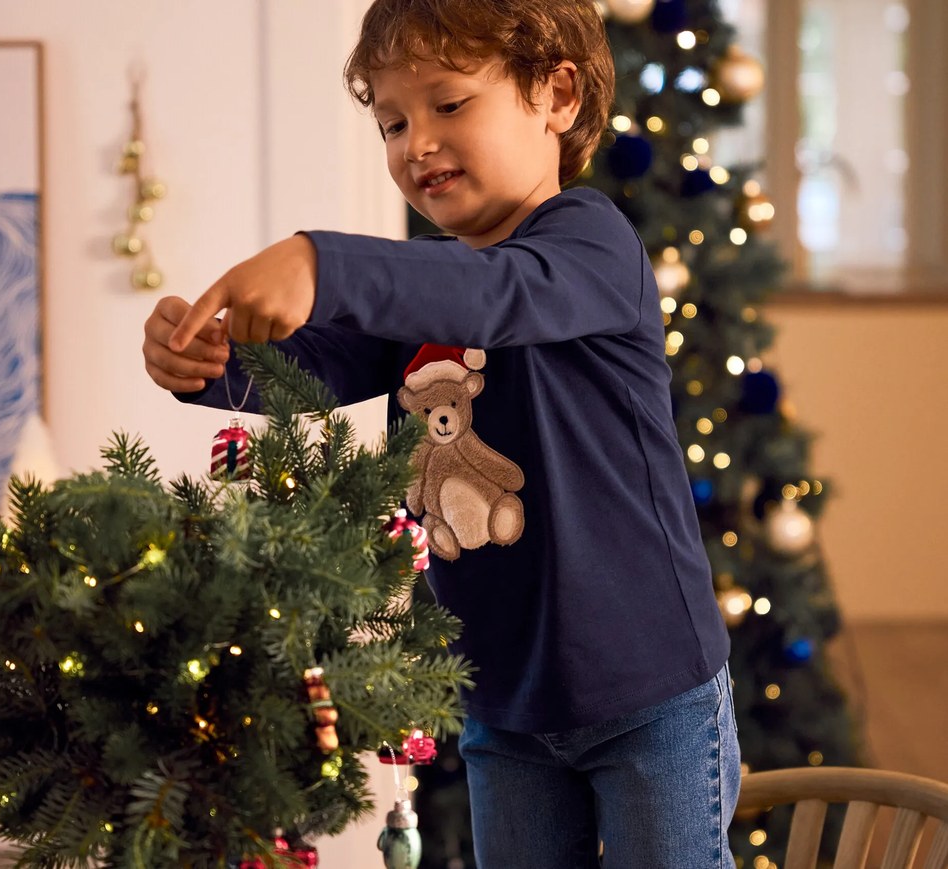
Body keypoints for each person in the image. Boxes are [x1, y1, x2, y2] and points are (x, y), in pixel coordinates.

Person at [142, 1, 741, 865]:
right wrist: (207, 364)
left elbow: (500, 293)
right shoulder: (422, 295)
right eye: (392, 121)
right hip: (501, 696)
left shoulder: (588, 245)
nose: (415, 142)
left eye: (448, 105)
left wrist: (322, 259)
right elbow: (312, 368)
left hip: (648, 686)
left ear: (557, 95)